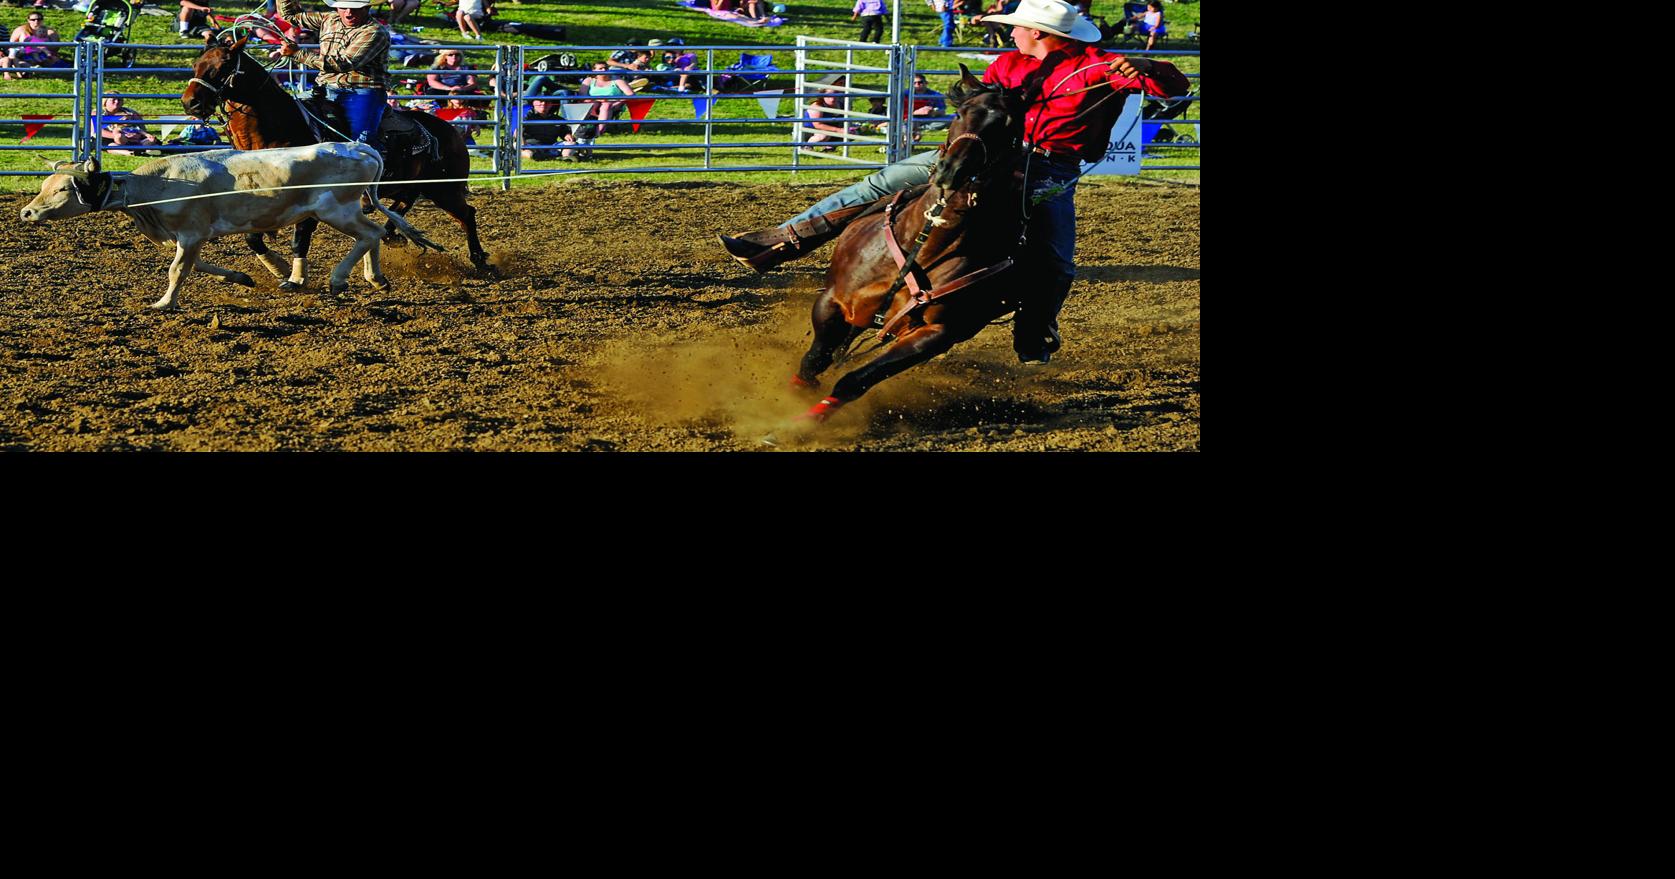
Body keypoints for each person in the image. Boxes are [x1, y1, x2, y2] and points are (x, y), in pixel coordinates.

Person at [719, 0, 1189, 365]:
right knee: (881, 183)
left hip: (1047, 166)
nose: (1011, 30)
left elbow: (1174, 88)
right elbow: (979, 104)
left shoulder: (1101, 67)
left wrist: (1148, 70)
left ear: (1039, 33)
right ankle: (783, 239)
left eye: (1017, 26)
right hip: (982, 152)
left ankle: (1033, 330)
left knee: (1054, 255)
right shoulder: (1007, 65)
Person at [270, 0, 391, 158]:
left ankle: (372, 173)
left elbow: (344, 63)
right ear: (336, 7)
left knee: (361, 143)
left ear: (367, 8)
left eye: (355, 9)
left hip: (363, 90)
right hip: (324, 87)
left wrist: (298, 54)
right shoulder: (329, 19)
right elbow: (290, 16)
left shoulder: (375, 31)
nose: (348, 13)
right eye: (343, 8)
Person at [2, 10, 65, 79]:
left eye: (39, 19)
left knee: (53, 60)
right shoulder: (21, 30)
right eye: (33, 20)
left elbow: (56, 48)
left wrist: (41, 48)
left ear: (42, 20)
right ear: (28, 20)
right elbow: (10, 45)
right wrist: (20, 50)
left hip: (43, 55)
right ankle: (27, 71)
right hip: (24, 56)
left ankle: (32, 70)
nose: (36, 22)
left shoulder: (50, 32)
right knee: (15, 59)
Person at [519, 97, 575, 162]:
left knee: (571, 143)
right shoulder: (527, 116)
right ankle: (533, 155)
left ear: (551, 104)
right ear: (534, 103)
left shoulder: (557, 119)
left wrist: (567, 135)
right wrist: (524, 146)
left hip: (551, 147)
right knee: (527, 152)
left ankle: (566, 158)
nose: (543, 104)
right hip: (531, 146)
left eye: (547, 102)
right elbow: (517, 132)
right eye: (540, 101)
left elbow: (564, 132)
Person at [804, 74, 848, 150]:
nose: (843, 86)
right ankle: (807, 146)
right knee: (825, 135)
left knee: (852, 132)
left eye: (844, 84)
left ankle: (830, 147)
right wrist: (839, 130)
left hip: (830, 129)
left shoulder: (842, 103)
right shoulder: (817, 106)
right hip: (810, 131)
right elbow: (818, 125)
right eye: (840, 83)